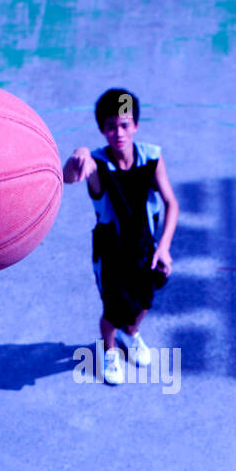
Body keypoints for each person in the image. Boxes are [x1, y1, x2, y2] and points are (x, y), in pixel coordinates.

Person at [63, 88, 178, 385]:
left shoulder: (151, 157)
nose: (118, 133)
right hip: (111, 251)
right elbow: (69, 177)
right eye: (111, 126)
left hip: (145, 247)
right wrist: (79, 154)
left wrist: (163, 248)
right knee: (112, 311)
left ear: (136, 126)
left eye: (125, 125)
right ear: (102, 129)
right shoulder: (97, 164)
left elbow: (172, 204)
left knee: (145, 302)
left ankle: (132, 333)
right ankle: (110, 349)